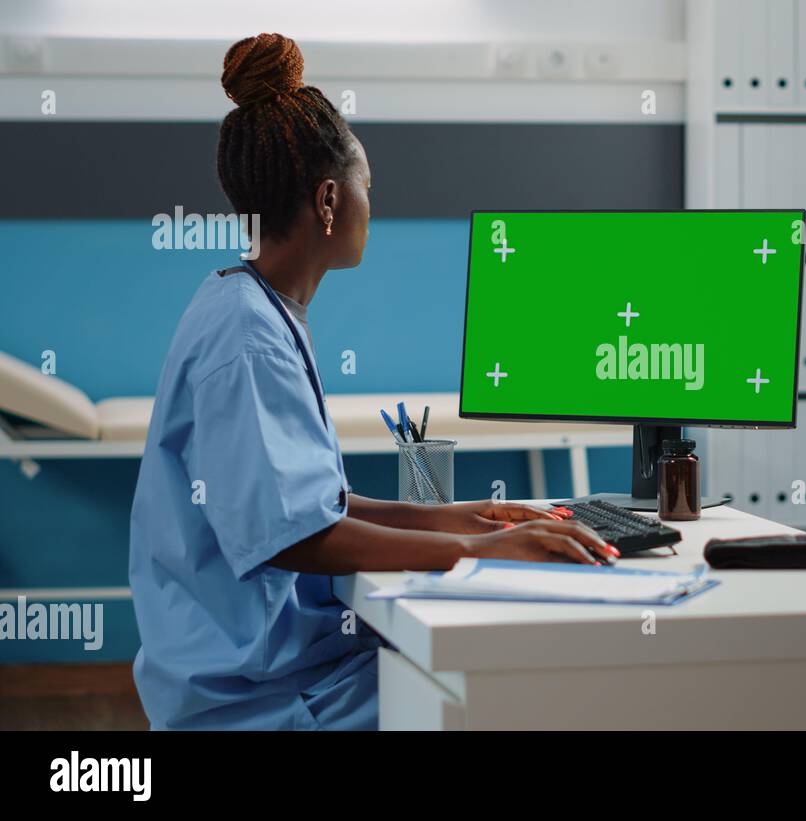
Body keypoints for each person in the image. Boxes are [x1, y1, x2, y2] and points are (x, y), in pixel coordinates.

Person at [128, 33, 615, 730]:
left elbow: (311, 508)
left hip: (278, 666)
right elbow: (293, 538)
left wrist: (465, 516)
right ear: (329, 199)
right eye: (367, 186)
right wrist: (477, 553)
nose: (370, 205)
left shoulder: (250, 305)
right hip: (262, 697)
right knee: (519, 694)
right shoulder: (249, 336)